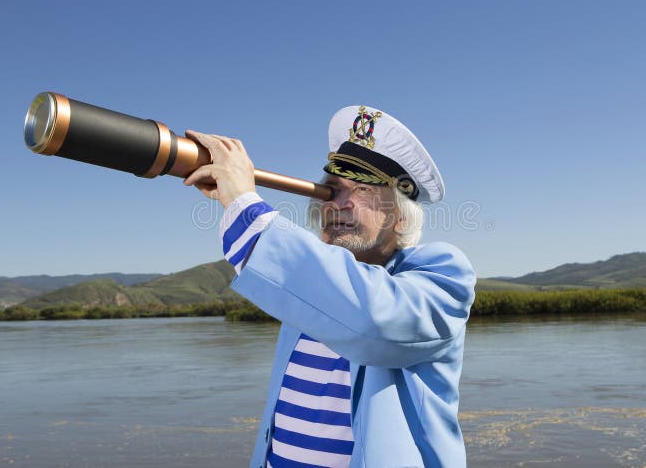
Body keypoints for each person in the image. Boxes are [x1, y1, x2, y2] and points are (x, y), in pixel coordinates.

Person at [183, 105, 476, 468]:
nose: (340, 203)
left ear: (400, 218)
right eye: (332, 190)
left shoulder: (442, 274)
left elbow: (375, 321)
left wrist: (244, 204)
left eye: (364, 192)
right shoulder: (311, 289)